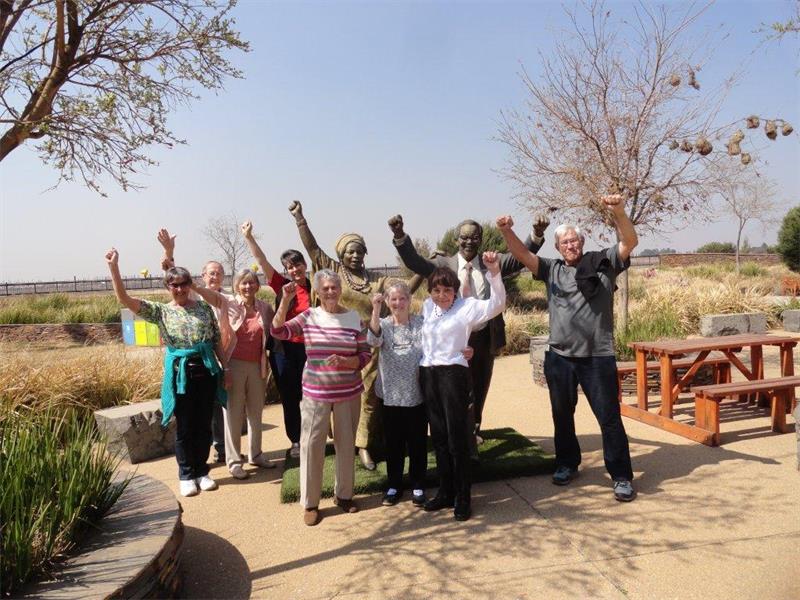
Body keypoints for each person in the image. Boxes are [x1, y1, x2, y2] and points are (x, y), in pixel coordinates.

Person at [496, 194, 638, 502]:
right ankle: (566, 463)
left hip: (597, 357)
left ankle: (622, 476)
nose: (570, 246)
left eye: (574, 241)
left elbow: (629, 240)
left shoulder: (604, 262)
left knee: (609, 418)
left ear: (582, 242)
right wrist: (507, 231)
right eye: (564, 243)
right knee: (562, 415)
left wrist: (618, 211)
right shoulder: (551, 270)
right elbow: (521, 255)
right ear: (558, 248)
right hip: (560, 357)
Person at [388, 214, 548, 454]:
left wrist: (536, 234)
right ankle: (452, 436)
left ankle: (473, 431)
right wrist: (400, 236)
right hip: (451, 342)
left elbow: (521, 256)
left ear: (481, 238)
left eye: (474, 237)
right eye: (464, 237)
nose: (469, 241)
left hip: (483, 338)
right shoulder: (443, 265)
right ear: (456, 239)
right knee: (455, 391)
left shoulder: (492, 261)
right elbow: (414, 262)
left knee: (479, 387)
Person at [105, 247, 229, 497]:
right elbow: (125, 300)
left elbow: (215, 339)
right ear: (168, 287)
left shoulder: (203, 309)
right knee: (184, 425)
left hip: (206, 370)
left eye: (184, 284)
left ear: (189, 285)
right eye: (175, 286)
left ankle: (202, 471)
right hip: (180, 372)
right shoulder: (162, 311)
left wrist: (224, 369)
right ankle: (186, 474)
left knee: (204, 424)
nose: (180, 289)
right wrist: (114, 269)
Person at [289, 200, 386, 471]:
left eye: (359, 251)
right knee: (334, 397)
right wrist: (300, 218)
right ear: (341, 254)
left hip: (366, 347)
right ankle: (339, 441)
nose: (355, 256)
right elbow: (312, 248)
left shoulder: (375, 278)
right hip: (333, 345)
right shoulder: (334, 270)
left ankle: (363, 445)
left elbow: (401, 290)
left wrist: (425, 269)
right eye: (350, 252)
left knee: (368, 397)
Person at [271, 269, 372, 526]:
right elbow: (278, 332)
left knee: (346, 444)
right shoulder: (309, 316)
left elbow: (365, 355)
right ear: (317, 291)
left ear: (340, 289)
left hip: (348, 392)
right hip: (316, 393)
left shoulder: (353, 318)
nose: (330, 291)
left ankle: (344, 495)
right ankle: (311, 503)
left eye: (334, 287)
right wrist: (284, 301)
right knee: (311, 445)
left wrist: (347, 361)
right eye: (325, 288)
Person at [419, 252, 506, 522]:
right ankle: (445, 492)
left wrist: (494, 272)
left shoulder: (466, 307)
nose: (442, 295)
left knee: (458, 440)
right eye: (436, 290)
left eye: (447, 290)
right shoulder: (426, 307)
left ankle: (463, 497)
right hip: (429, 375)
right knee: (440, 438)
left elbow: (498, 303)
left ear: (455, 291)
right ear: (430, 291)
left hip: (453, 376)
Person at [191, 268, 277, 479]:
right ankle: (234, 461)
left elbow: (277, 326)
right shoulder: (228, 303)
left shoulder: (264, 308)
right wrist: (194, 285)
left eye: (252, 283)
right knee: (233, 414)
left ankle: (256, 454)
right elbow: (210, 295)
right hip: (233, 365)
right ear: (237, 286)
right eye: (244, 283)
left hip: (258, 366)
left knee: (256, 412)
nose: (248, 287)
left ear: (258, 286)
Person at [158, 228, 232, 464]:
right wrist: (169, 251)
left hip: (225, 356)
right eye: (211, 273)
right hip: (201, 360)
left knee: (221, 407)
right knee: (197, 413)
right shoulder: (195, 298)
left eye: (219, 273)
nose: (215, 276)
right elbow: (174, 276)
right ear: (202, 276)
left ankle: (223, 448)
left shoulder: (228, 296)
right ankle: (196, 461)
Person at [241, 220, 309, 459]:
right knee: (290, 398)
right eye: (289, 267)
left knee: (313, 396)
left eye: (297, 265)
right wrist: (249, 237)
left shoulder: (316, 287)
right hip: (284, 351)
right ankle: (296, 441)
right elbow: (261, 262)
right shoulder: (282, 285)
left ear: (304, 265)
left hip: (311, 351)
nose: (294, 270)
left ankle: (316, 436)